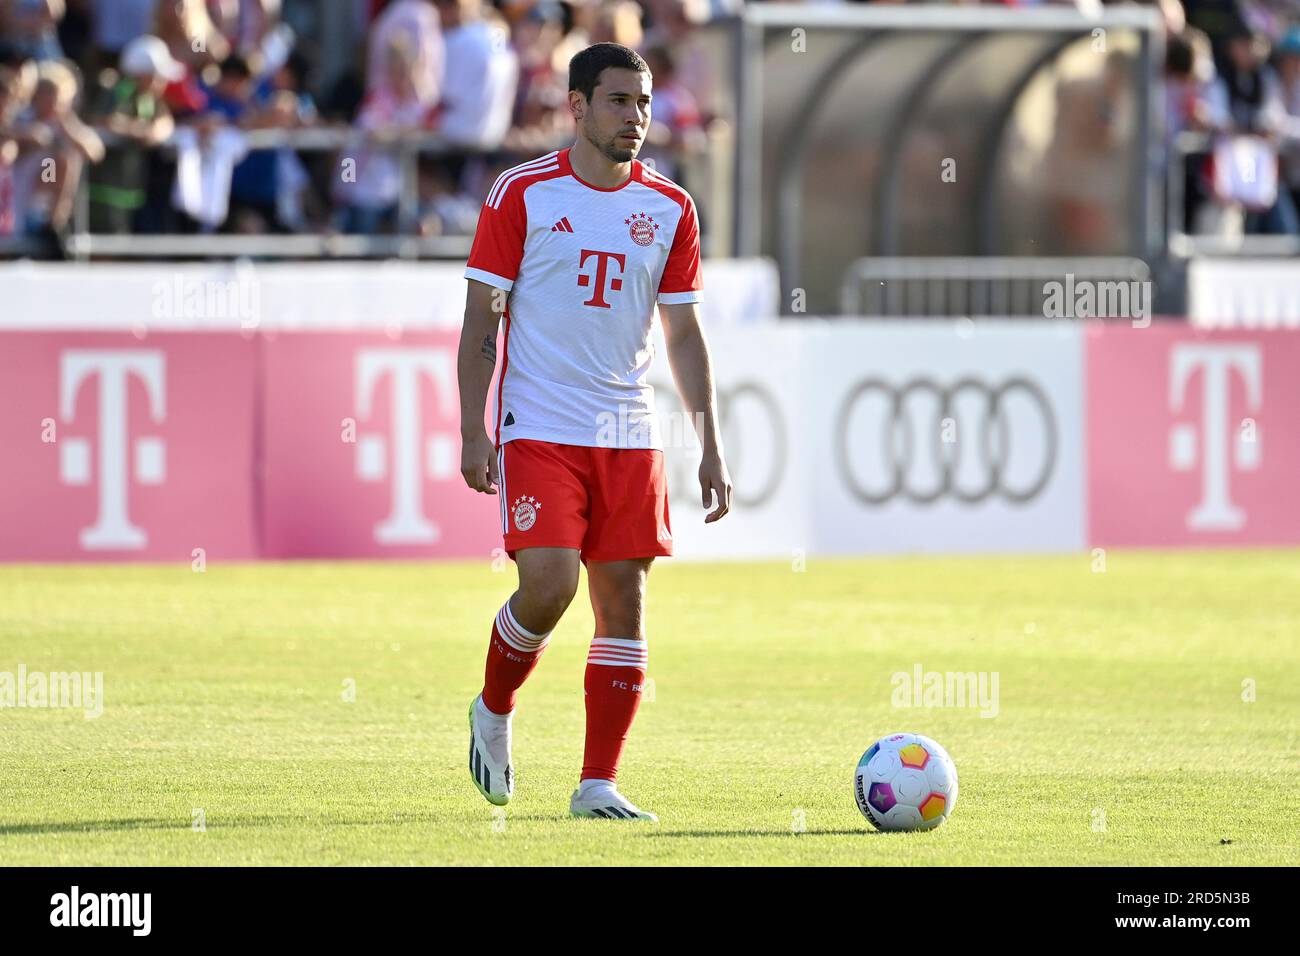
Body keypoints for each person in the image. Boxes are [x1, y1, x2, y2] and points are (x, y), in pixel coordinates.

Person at [457, 42, 732, 822]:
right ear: (576, 106)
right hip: (539, 423)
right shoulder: (522, 193)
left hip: (630, 432)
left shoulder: (672, 208)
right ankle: (495, 706)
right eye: (618, 101)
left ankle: (597, 783)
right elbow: (483, 319)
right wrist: (474, 429)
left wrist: (708, 441)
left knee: (625, 604)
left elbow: (682, 336)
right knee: (549, 587)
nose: (636, 118)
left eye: (644, 103)